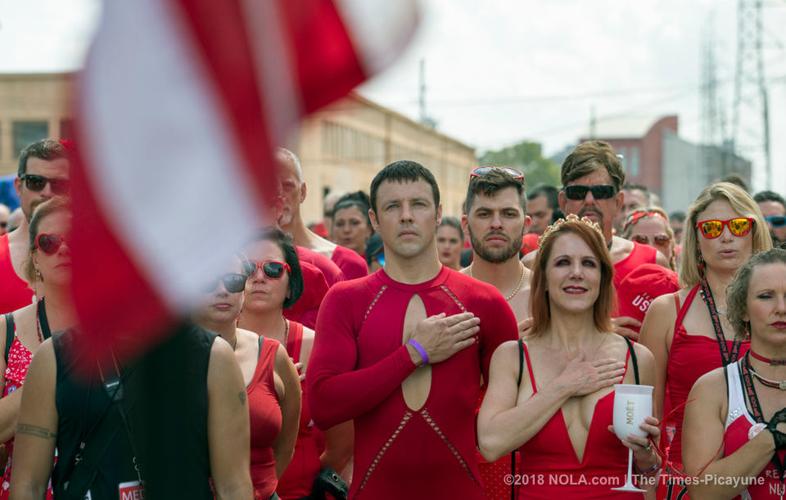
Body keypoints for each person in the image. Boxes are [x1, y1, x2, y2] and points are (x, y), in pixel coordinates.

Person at [307, 160, 518, 499]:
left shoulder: (483, 302)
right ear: (375, 219)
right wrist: (414, 354)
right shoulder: (346, 300)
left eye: (418, 204)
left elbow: (513, 412)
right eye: (393, 206)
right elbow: (324, 404)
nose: (406, 216)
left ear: (437, 213)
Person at [478, 214, 660, 498]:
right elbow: (490, 443)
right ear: (545, 279)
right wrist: (564, 386)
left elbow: (647, 476)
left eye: (588, 263)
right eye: (563, 262)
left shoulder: (638, 358)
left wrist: (649, 460)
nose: (577, 273)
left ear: (602, 277)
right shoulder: (513, 356)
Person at [639, 181, 772, 499]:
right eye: (711, 228)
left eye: (739, 225)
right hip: (685, 481)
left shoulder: (780, 308)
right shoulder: (666, 311)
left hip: (769, 475)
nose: (726, 237)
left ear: (754, 233)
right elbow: (648, 418)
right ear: (696, 240)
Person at [238, 228, 351, 499]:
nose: (259, 277)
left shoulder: (316, 346)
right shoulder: (214, 345)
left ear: (292, 283)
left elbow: (343, 444)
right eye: (248, 268)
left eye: (274, 269)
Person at [524, 140, 670, 340]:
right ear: (563, 202)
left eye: (601, 192)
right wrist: (598, 330)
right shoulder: (534, 264)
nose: (590, 200)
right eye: (578, 193)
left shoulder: (653, 262)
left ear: (618, 202)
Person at [194, 251, 301, 499]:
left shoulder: (275, 356)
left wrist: (261, 490)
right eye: (209, 281)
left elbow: (285, 447)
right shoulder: (167, 360)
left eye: (233, 281)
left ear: (244, 290)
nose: (222, 290)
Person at [683, 247, 786, 498]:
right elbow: (702, 492)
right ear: (742, 310)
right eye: (765, 296)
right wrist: (772, 437)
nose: (781, 308)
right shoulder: (713, 389)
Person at [460, 166, 532, 498]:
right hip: (465, 470)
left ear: (526, 223)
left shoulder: (553, 297)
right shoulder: (443, 295)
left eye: (508, 213)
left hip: (539, 471)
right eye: (484, 213)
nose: (496, 223)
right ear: (465, 223)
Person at [0, 198, 73, 499]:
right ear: (34, 257)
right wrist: (55, 372)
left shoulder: (120, 331)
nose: (64, 248)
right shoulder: (6, 330)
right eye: (49, 241)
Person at [0, 139, 70, 314]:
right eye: (35, 182)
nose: (47, 192)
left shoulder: (94, 257)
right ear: (18, 186)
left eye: (59, 184)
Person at [276, 148, 368, 280]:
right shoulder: (241, 259)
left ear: (302, 192)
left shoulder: (346, 263)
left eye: (287, 186)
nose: (278, 194)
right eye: (268, 186)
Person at [331, 191, 374, 260]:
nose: (346, 230)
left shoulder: (381, 263)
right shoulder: (323, 265)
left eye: (354, 223)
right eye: (339, 224)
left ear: (369, 229)